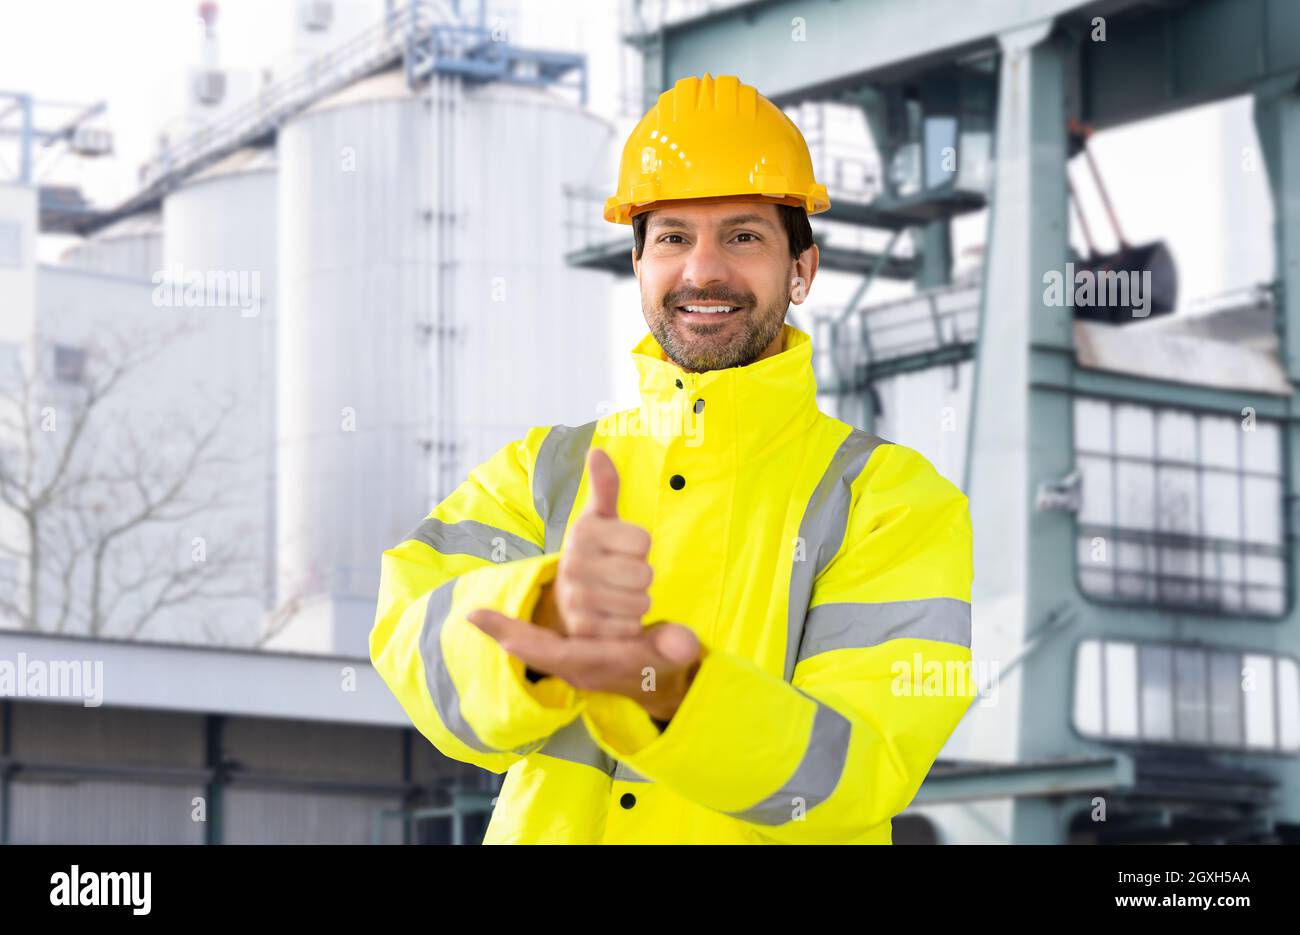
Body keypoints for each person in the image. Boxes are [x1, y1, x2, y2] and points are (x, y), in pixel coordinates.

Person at [370, 73, 975, 844]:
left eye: (744, 235)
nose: (703, 270)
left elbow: (859, 763)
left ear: (803, 270)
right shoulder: (544, 469)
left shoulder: (892, 500)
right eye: (673, 237)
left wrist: (666, 694)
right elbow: (412, 645)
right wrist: (548, 610)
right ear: (639, 265)